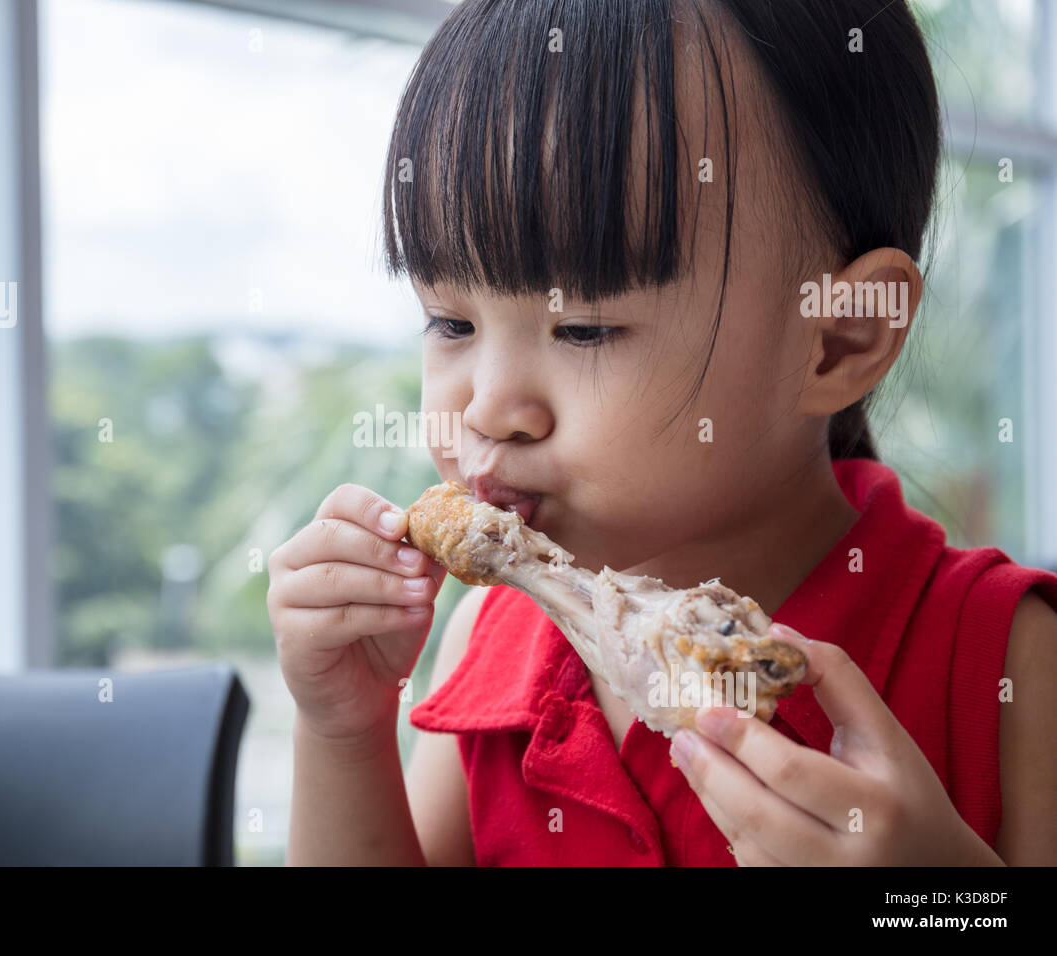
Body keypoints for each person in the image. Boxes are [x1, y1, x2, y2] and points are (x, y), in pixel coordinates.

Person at [267, 0, 1057, 865]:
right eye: (449, 321)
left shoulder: (1009, 664)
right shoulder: (490, 638)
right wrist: (343, 733)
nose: (488, 409)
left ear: (839, 337)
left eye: (585, 331)